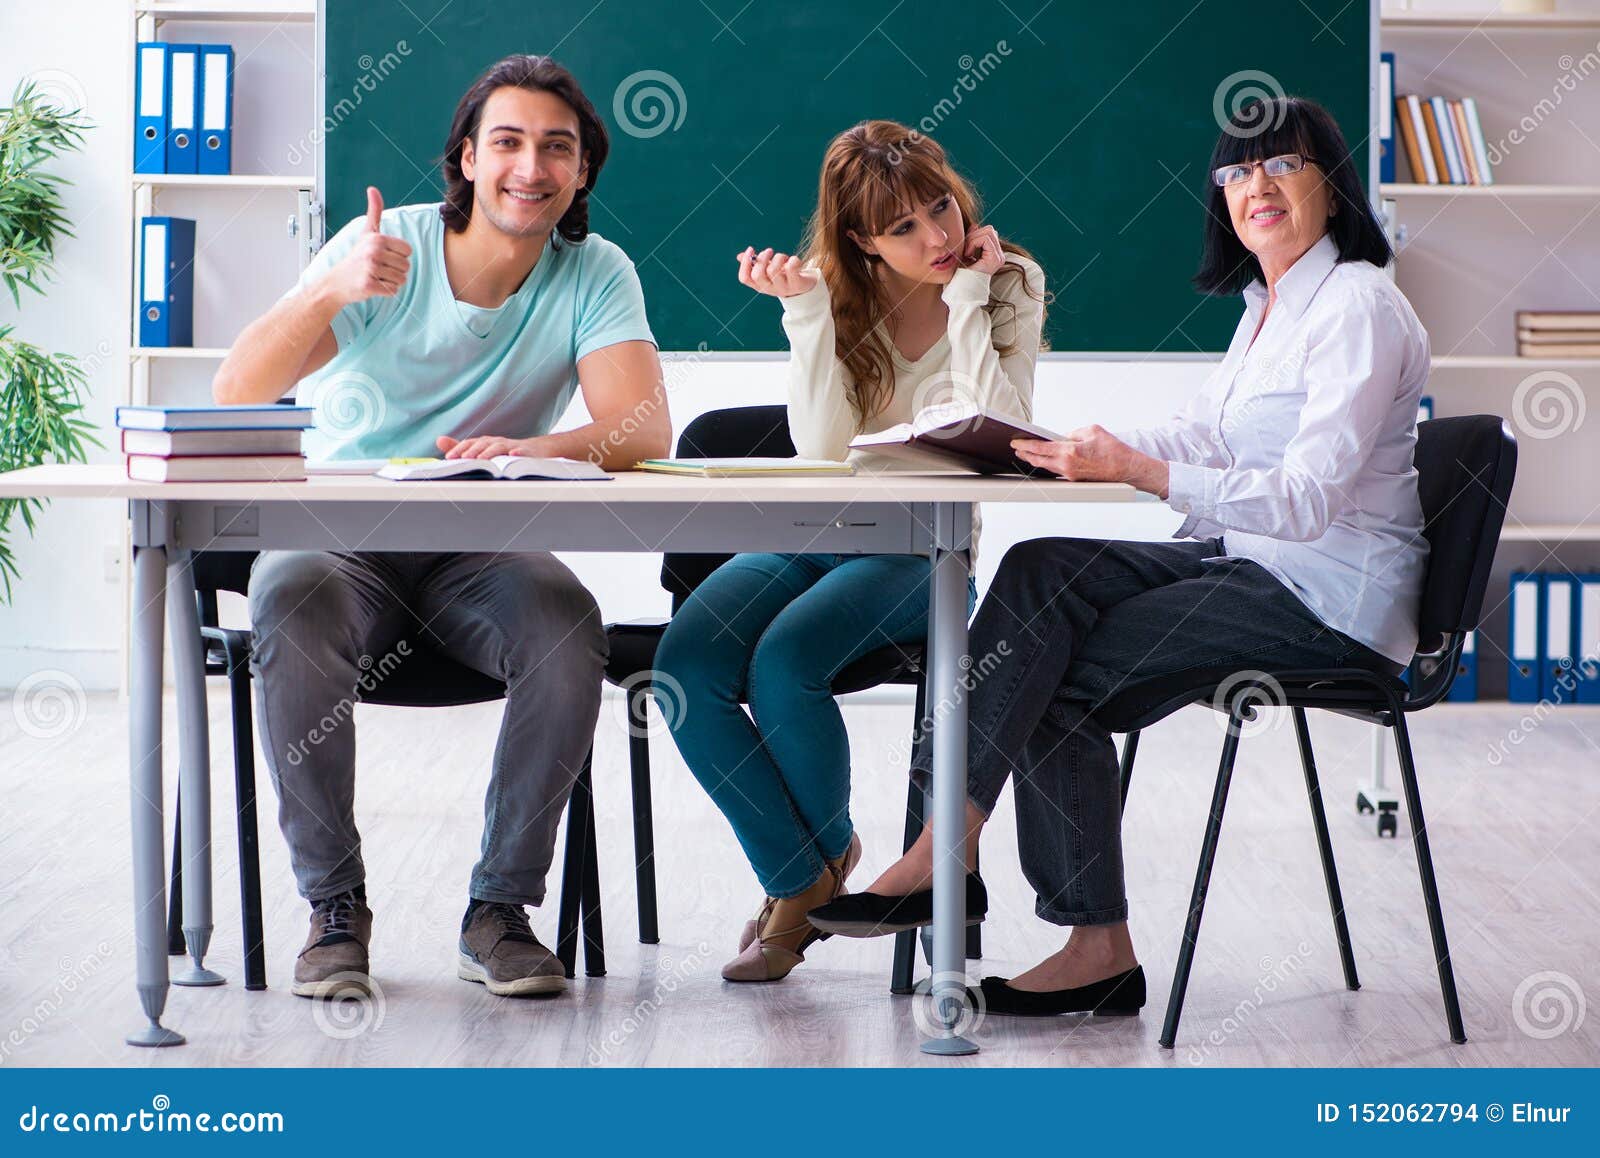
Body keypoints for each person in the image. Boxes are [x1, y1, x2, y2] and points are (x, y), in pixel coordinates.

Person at [809, 96, 1428, 1018]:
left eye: (1281, 165)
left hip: (1327, 600)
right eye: (1236, 171)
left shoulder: (1358, 308)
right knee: (1038, 573)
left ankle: (1031, 909)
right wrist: (1066, 447)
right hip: (1247, 563)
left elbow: (1307, 501)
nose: (1255, 186)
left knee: (1040, 664)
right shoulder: (1269, 307)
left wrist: (1137, 471)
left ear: (1331, 186)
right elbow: (1208, 437)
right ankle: (974, 868)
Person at [213, 55, 670, 1001]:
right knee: (287, 594)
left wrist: (528, 447)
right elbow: (235, 392)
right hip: (341, 539)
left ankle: (499, 911)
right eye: (507, 143)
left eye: (557, 148)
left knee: (566, 626)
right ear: (466, 158)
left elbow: (640, 429)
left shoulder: (594, 271)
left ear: (583, 169)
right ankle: (334, 907)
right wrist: (327, 292)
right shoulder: (385, 250)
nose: (531, 168)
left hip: (482, 547)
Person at [654, 120, 1046, 983]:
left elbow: (1002, 433)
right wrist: (804, 314)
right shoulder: (835, 291)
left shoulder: (1008, 280)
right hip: (812, 537)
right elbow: (825, 450)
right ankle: (812, 870)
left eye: (941, 208)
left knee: (785, 659)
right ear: (863, 241)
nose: (937, 236)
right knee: (683, 669)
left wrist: (970, 300)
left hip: (925, 555)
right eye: (903, 228)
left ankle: (796, 894)